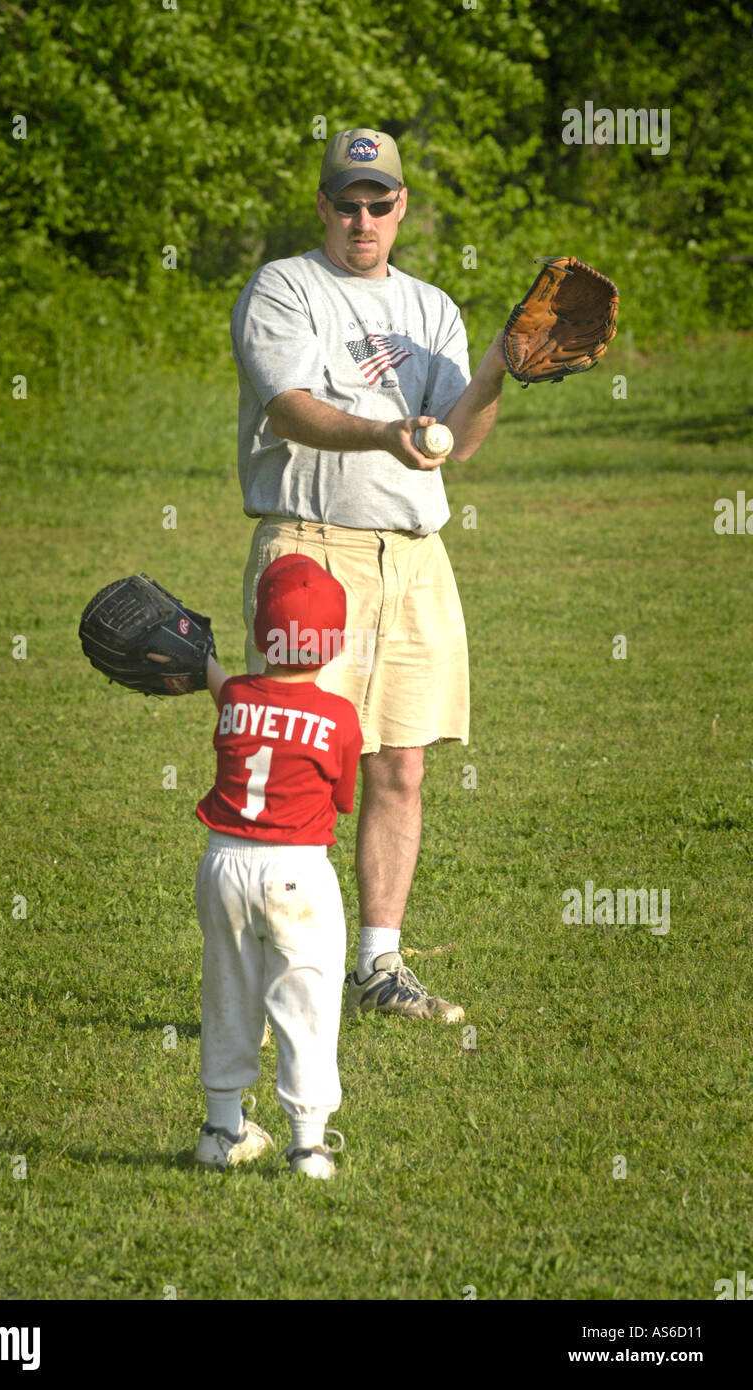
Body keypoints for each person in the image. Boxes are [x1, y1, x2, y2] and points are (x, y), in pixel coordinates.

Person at [230, 127, 508, 1023]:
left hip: (416, 557)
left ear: (400, 209)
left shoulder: (433, 308)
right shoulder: (285, 288)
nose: (361, 217)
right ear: (322, 205)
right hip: (313, 549)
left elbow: (454, 443)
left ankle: (380, 968)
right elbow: (293, 408)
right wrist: (386, 431)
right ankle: (286, 965)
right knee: (297, 764)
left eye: (378, 202)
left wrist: (503, 366)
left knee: (401, 768)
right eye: (345, 201)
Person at [192, 554, 363, 1177]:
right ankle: (309, 1145)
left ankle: (221, 1129)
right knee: (306, 1001)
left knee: (228, 992)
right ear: (335, 642)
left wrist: (199, 662)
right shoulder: (341, 716)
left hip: (223, 864)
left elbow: (243, 698)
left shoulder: (233, 695)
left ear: (263, 631)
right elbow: (340, 800)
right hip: (296, 869)